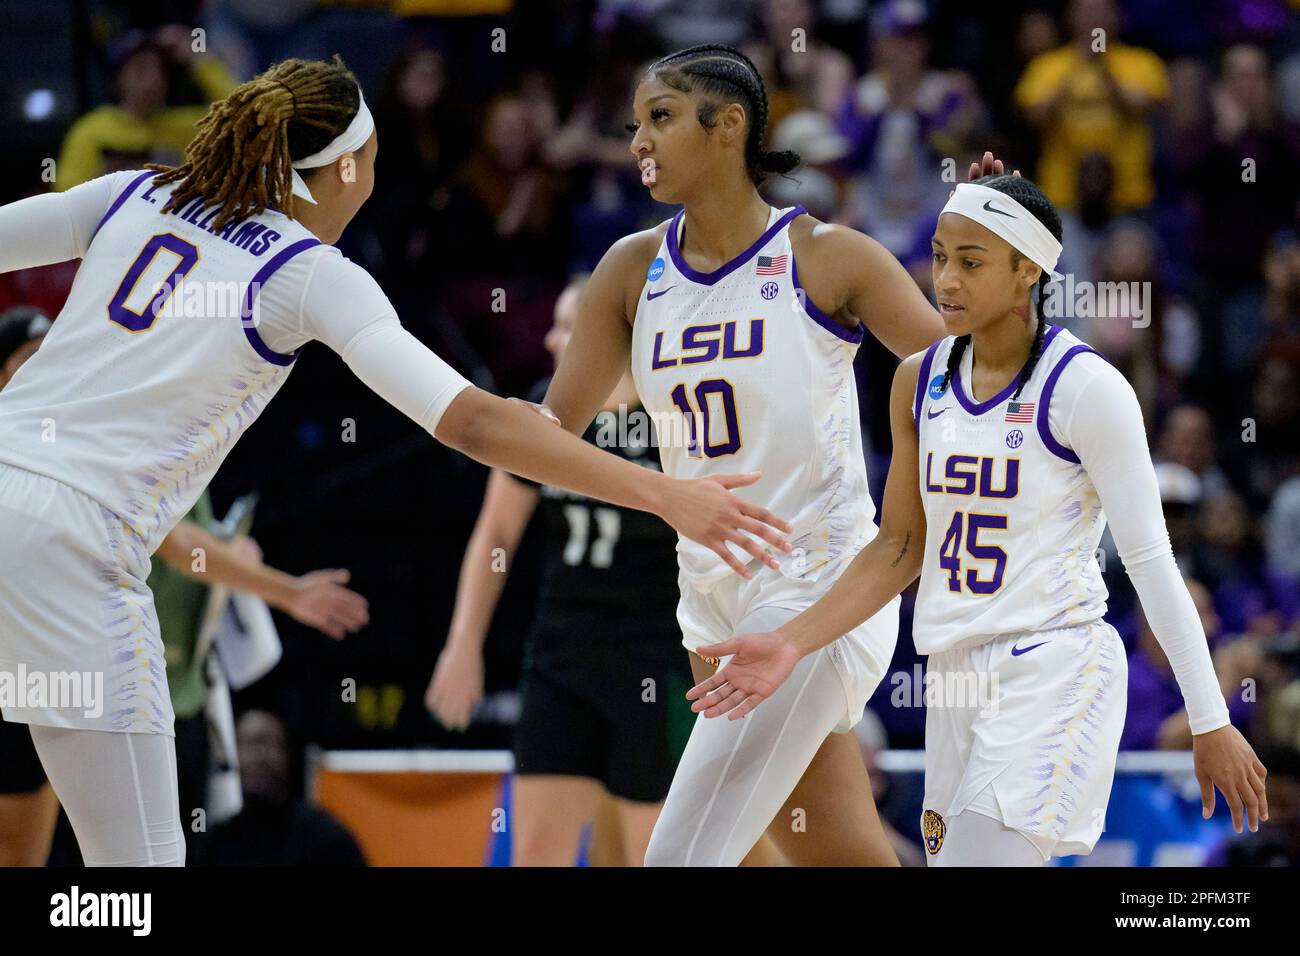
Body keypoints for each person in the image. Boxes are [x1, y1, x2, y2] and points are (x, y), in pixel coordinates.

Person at [0, 54, 792, 867]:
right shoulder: (306, 273)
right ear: (344, 167)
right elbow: (473, 426)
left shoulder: (135, 193)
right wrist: (665, 494)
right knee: (136, 876)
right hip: (77, 543)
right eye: (374, 165)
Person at [687, 173, 1267, 865]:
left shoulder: (1086, 387)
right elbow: (900, 548)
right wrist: (789, 642)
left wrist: (1211, 720)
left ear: (1029, 271)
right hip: (954, 676)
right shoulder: (918, 379)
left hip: (1053, 664)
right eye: (938, 256)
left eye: (972, 261)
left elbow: (1151, 561)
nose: (946, 280)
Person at [537, 43, 971, 867]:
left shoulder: (827, 256)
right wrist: (659, 491)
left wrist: (990, 247)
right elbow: (548, 442)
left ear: (728, 125)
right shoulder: (630, 271)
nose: (638, 143)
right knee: (832, 855)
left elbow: (968, 386)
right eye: (635, 125)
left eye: (659, 119)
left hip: (819, 584)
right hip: (709, 599)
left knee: (680, 856)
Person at [426, 275, 693, 866]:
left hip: (659, 661)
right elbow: (496, 533)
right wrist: (463, 644)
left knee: (657, 857)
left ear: (615, 336)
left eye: (568, 326)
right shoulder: (547, 413)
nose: (550, 339)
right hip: (561, 655)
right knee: (537, 855)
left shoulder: (681, 416)